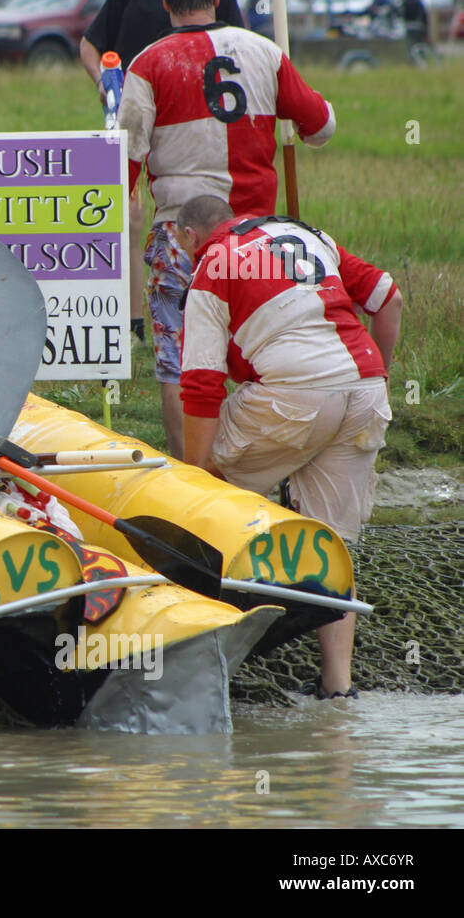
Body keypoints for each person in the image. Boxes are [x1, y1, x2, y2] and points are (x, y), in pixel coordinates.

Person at [177, 195, 402, 700]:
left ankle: (196, 650)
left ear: (190, 236)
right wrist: (378, 376)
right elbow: (390, 297)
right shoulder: (306, 234)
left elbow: (201, 383)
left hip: (296, 396)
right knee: (333, 545)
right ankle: (337, 689)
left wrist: (195, 472)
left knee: (196, 492)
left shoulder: (211, 263)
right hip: (367, 389)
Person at [117, 0, 334, 460]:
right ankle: (255, 458)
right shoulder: (267, 53)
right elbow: (321, 126)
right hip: (258, 237)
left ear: (166, 4)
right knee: (259, 350)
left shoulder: (147, 64)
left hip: (181, 235)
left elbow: (124, 159)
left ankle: (187, 470)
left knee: (179, 361)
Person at [79, 0, 244, 349]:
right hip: (134, 114)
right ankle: (132, 322)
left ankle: (210, 320)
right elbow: (91, 44)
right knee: (129, 216)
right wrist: (105, 83)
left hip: (191, 119)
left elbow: (240, 43)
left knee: (200, 218)